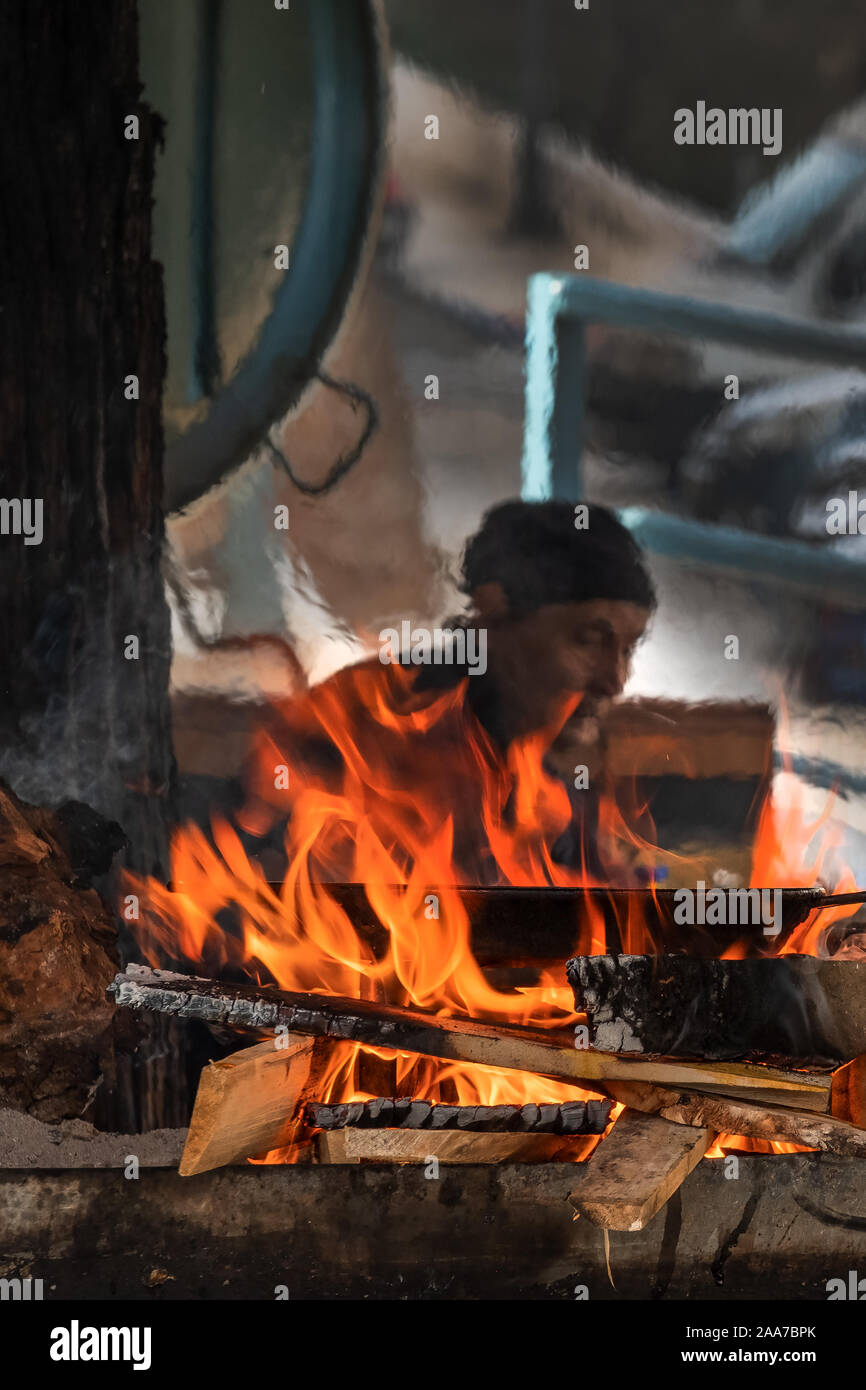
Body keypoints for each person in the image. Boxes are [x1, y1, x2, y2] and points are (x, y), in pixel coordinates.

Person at [247, 499, 656, 884]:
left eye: (628, 649)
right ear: (494, 613)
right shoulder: (365, 728)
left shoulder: (544, 784)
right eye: (586, 640)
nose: (615, 681)